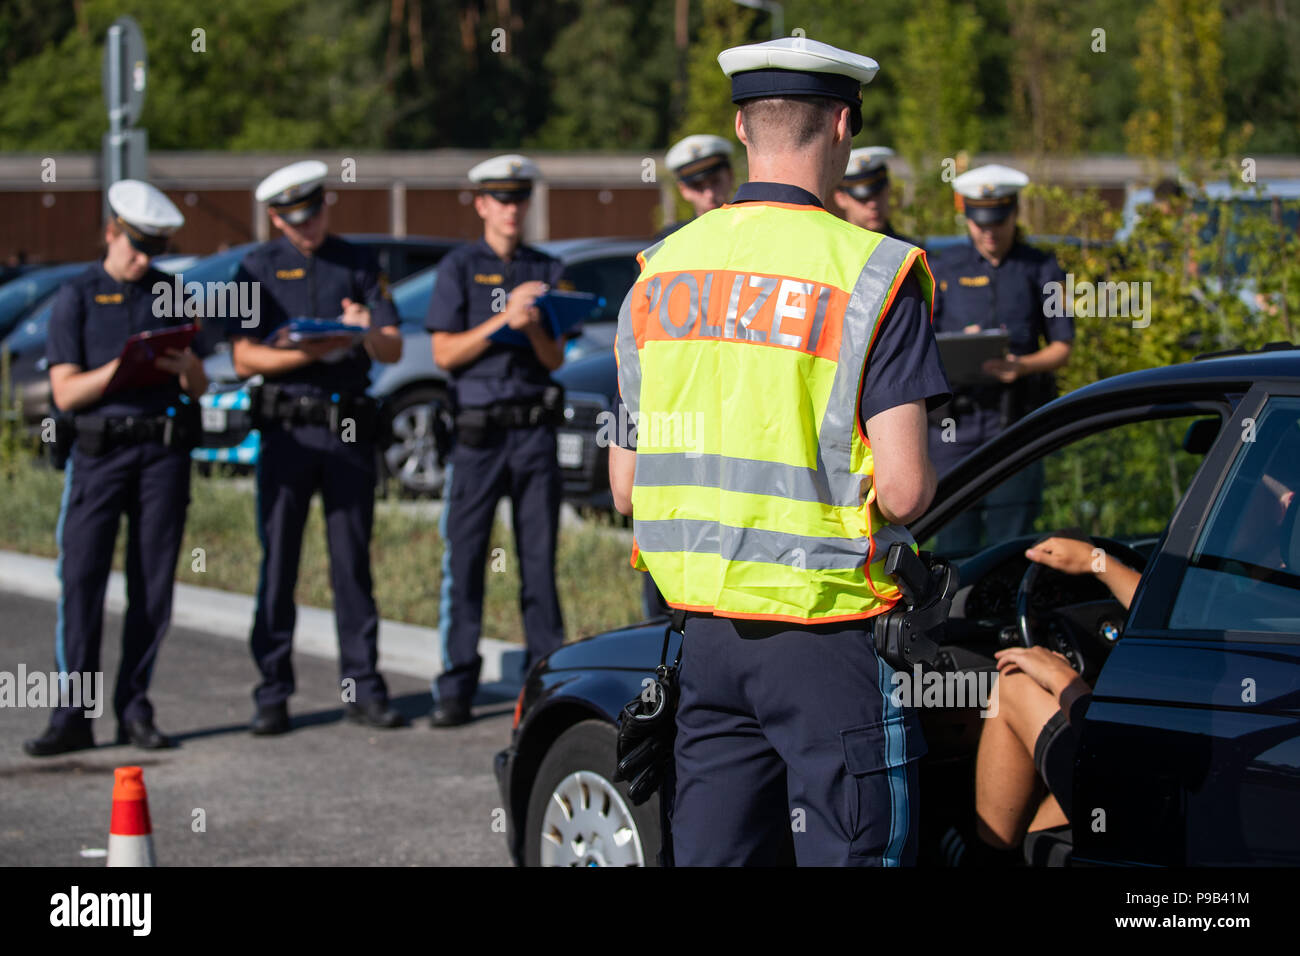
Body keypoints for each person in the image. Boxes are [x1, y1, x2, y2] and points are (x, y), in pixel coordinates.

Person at [609, 36, 952, 866]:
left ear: (740, 125)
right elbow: (905, 492)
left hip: (705, 641)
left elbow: (625, 487)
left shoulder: (659, 271)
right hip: (827, 633)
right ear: (841, 125)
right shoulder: (876, 272)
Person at [24, 180, 205, 756]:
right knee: (81, 584)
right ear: (111, 231)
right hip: (99, 455)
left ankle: (135, 709)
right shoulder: (75, 296)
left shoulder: (172, 292)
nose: (145, 257)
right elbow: (66, 392)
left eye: (155, 246)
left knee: (152, 587)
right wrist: (122, 367)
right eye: (136, 244)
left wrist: (187, 367)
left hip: (161, 453)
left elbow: (200, 385)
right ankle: (72, 718)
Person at [229, 160, 406, 735]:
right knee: (278, 563)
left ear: (327, 205)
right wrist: (312, 351)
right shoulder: (254, 269)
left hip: (347, 430)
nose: (305, 228)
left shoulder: (358, 263)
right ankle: (272, 692)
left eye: (313, 214)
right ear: (277, 220)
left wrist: (363, 331)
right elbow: (243, 357)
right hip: (286, 432)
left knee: (351, 564)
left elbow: (392, 349)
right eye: (292, 219)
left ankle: (364, 688)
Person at [426, 154, 567, 728]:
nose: (513, 210)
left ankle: (544, 688)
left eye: (520, 199)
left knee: (538, 563)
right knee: (465, 561)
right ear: (481, 203)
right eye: (501, 200)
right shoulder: (458, 268)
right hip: (478, 439)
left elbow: (556, 357)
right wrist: (503, 321)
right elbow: (443, 354)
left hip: (533, 433)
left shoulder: (548, 267)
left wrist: (533, 326)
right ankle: (457, 683)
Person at [927, 165, 1073, 554]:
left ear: (1014, 212)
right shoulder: (941, 267)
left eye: (998, 222)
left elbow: (1062, 347)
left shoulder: (1043, 267)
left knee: (1009, 542)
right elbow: (919, 344)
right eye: (979, 224)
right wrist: (956, 346)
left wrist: (1022, 366)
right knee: (953, 541)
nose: (988, 233)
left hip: (1015, 423)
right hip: (954, 425)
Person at [969, 535, 1140, 863]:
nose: (1273, 501)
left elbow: (1172, 622)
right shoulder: (1258, 590)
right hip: (1179, 779)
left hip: (1151, 801)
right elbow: (1169, 619)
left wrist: (1063, 679)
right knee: (1038, 823)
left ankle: (982, 858)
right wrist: (1094, 562)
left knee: (1013, 682)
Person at [654, 134, 735, 240]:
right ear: (683, 190)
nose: (709, 194)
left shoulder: (752, 228)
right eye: (697, 186)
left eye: (715, 181)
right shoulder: (670, 241)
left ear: (730, 176)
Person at [834, 146, 918, 245]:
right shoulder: (831, 252)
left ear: (888, 189)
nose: (873, 204)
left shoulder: (910, 252)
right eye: (862, 198)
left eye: (878, 193)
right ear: (841, 198)